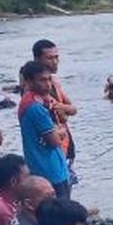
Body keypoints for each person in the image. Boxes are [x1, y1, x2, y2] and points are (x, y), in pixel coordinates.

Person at [17, 60, 71, 199]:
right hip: (50, 169)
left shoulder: (32, 101)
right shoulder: (35, 108)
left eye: (49, 79)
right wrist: (61, 131)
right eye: (42, 80)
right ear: (29, 81)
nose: (47, 84)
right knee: (60, 208)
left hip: (42, 166)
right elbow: (54, 141)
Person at [32, 39, 77, 173]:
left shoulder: (54, 83)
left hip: (65, 145)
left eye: (56, 57)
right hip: (52, 150)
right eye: (50, 58)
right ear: (37, 59)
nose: (55, 61)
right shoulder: (33, 89)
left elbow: (72, 109)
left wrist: (61, 107)